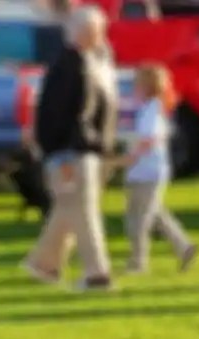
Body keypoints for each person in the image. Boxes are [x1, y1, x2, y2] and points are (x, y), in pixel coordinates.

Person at [23, 6, 119, 291]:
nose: (99, 35)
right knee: (83, 213)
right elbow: (61, 115)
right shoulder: (71, 66)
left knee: (68, 210)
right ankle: (96, 273)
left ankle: (45, 264)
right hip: (72, 152)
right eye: (94, 30)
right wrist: (63, 153)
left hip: (78, 151)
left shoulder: (87, 63)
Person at [122, 65, 198, 272]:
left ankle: (138, 262)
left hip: (148, 171)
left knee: (139, 220)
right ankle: (184, 246)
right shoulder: (150, 108)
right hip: (141, 171)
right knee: (153, 213)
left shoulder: (152, 110)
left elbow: (149, 139)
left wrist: (130, 157)